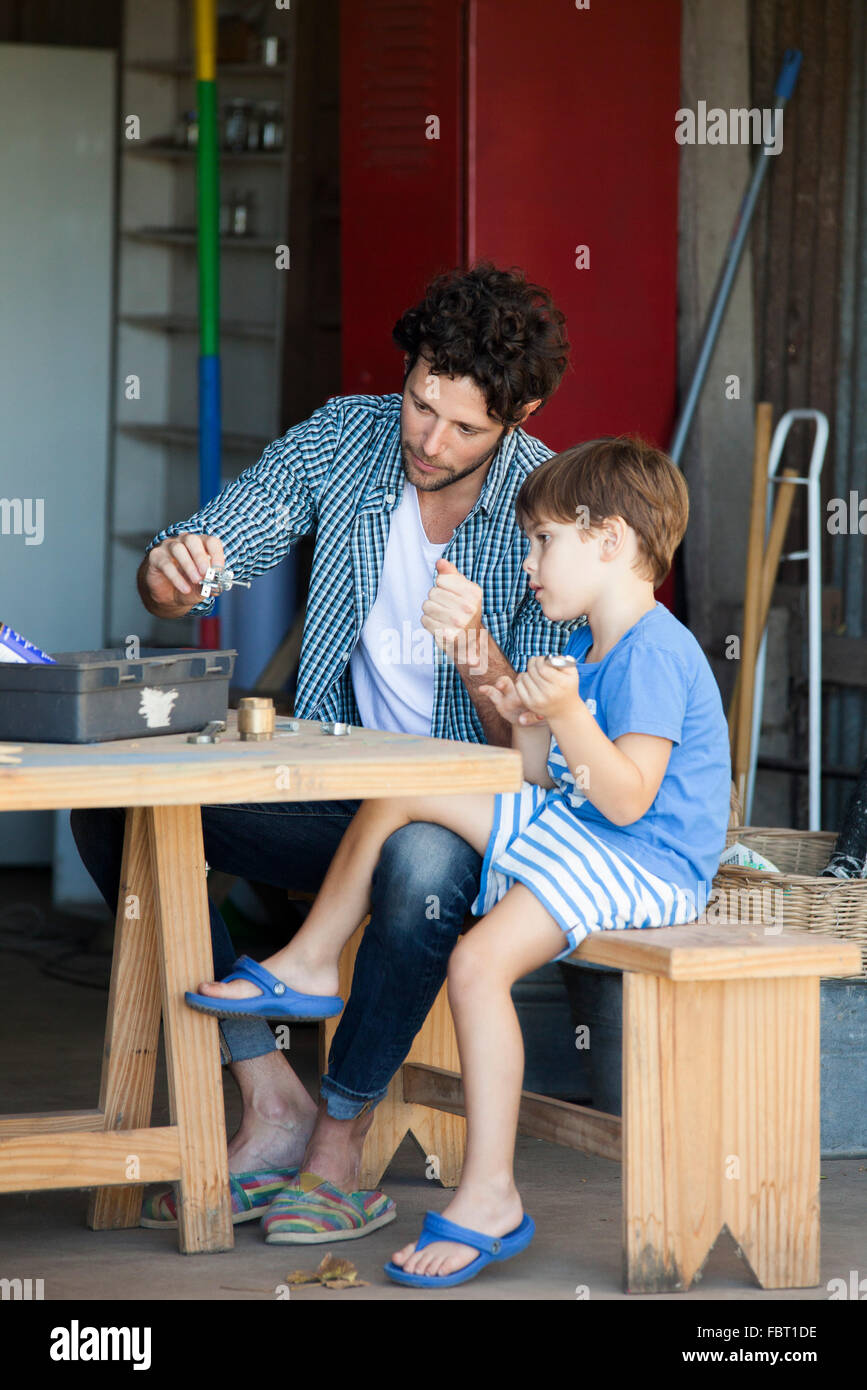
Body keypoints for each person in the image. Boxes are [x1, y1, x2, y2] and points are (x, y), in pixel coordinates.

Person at [70, 262, 583, 1240]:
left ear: (521, 415)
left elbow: (539, 757)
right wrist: (173, 573)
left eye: (463, 427)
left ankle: (338, 1141)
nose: (429, 441)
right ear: (411, 371)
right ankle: (268, 1090)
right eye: (421, 402)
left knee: (421, 861)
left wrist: (477, 653)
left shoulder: (546, 506)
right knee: (116, 802)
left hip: (475, 824)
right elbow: (196, 558)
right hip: (335, 798)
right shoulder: (347, 437)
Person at [185, 435, 733, 1286]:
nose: (527, 564)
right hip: (588, 836)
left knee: (477, 963)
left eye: (544, 541)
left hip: (644, 863)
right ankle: (311, 957)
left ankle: (489, 1195)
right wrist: (523, 710)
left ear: (611, 541)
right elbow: (532, 774)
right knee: (408, 788)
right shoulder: (590, 650)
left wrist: (566, 719)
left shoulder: (655, 650)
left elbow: (626, 798)